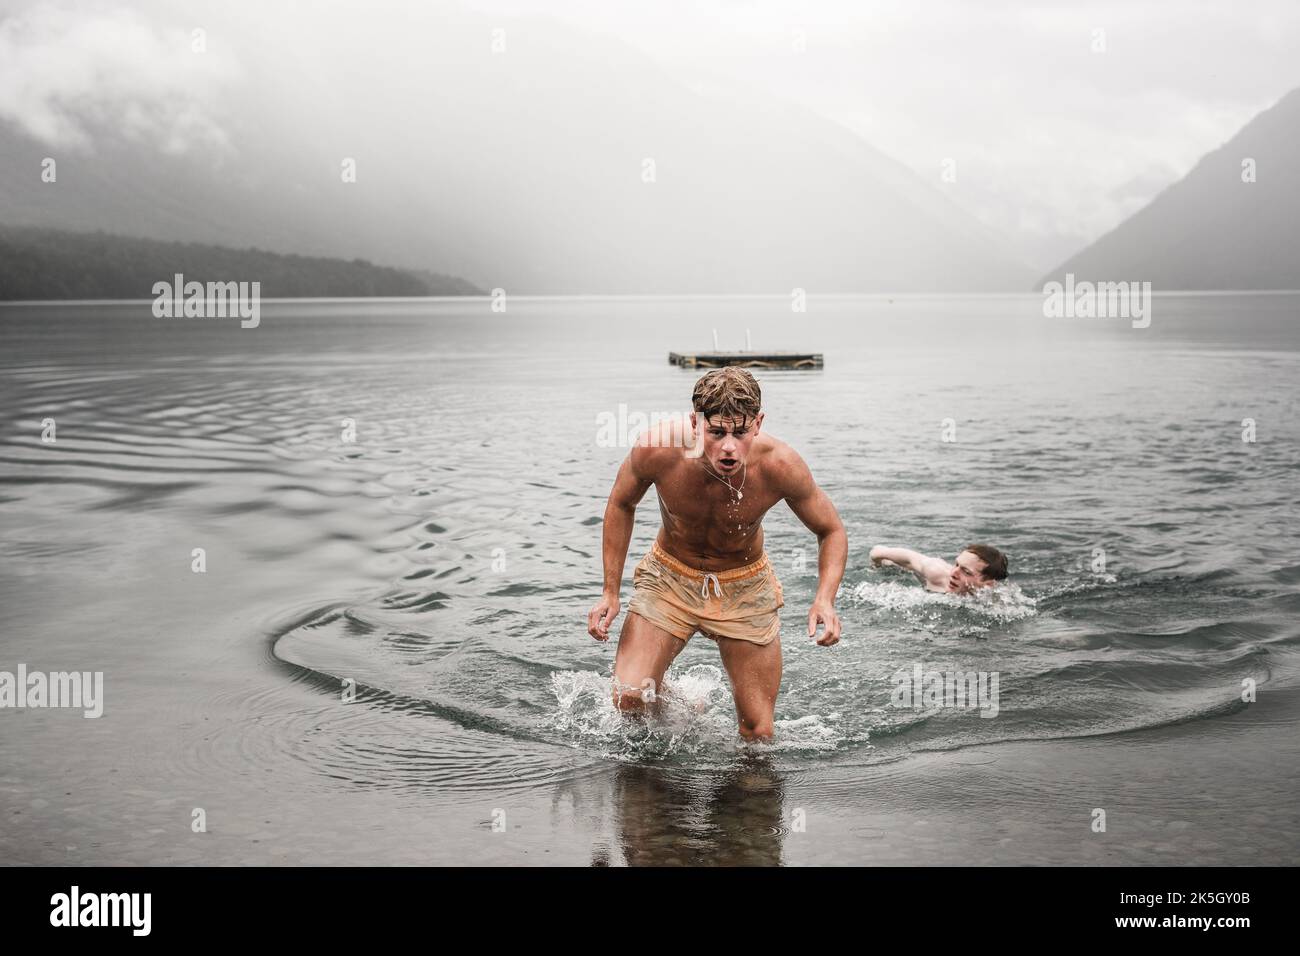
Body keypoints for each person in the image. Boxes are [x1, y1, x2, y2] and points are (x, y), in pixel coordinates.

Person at [587, 367, 847, 741]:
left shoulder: (781, 465)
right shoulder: (658, 449)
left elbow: (831, 529)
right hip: (670, 577)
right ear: (696, 423)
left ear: (758, 424)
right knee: (630, 699)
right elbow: (621, 503)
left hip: (744, 586)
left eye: (740, 433)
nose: (729, 446)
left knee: (757, 733)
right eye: (717, 432)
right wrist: (610, 590)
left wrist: (825, 599)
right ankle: (676, 709)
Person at [868, 543, 1008, 594]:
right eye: (956, 565)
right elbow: (877, 551)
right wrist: (877, 565)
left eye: (966, 571)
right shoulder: (936, 571)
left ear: (987, 583)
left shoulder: (997, 602)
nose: (953, 573)